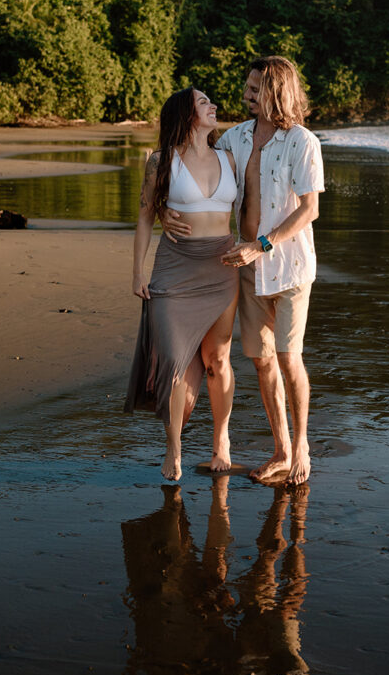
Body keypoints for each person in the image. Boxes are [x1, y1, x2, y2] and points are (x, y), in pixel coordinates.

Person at [165, 56, 324, 485]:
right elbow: (194, 172)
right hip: (248, 270)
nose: (245, 95)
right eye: (247, 87)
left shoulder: (303, 142)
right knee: (261, 360)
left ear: (276, 91)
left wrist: (261, 245)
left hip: (289, 268)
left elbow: (310, 209)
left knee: (290, 357)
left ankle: (302, 445)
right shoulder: (234, 138)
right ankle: (281, 451)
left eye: (254, 89)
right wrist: (164, 210)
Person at [124, 87, 239, 481]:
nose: (213, 106)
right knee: (173, 361)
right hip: (174, 269)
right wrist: (138, 272)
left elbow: (252, 207)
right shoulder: (161, 160)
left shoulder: (231, 157)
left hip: (221, 267)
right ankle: (173, 446)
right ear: (186, 114)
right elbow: (143, 216)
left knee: (217, 361)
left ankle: (221, 440)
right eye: (203, 102)